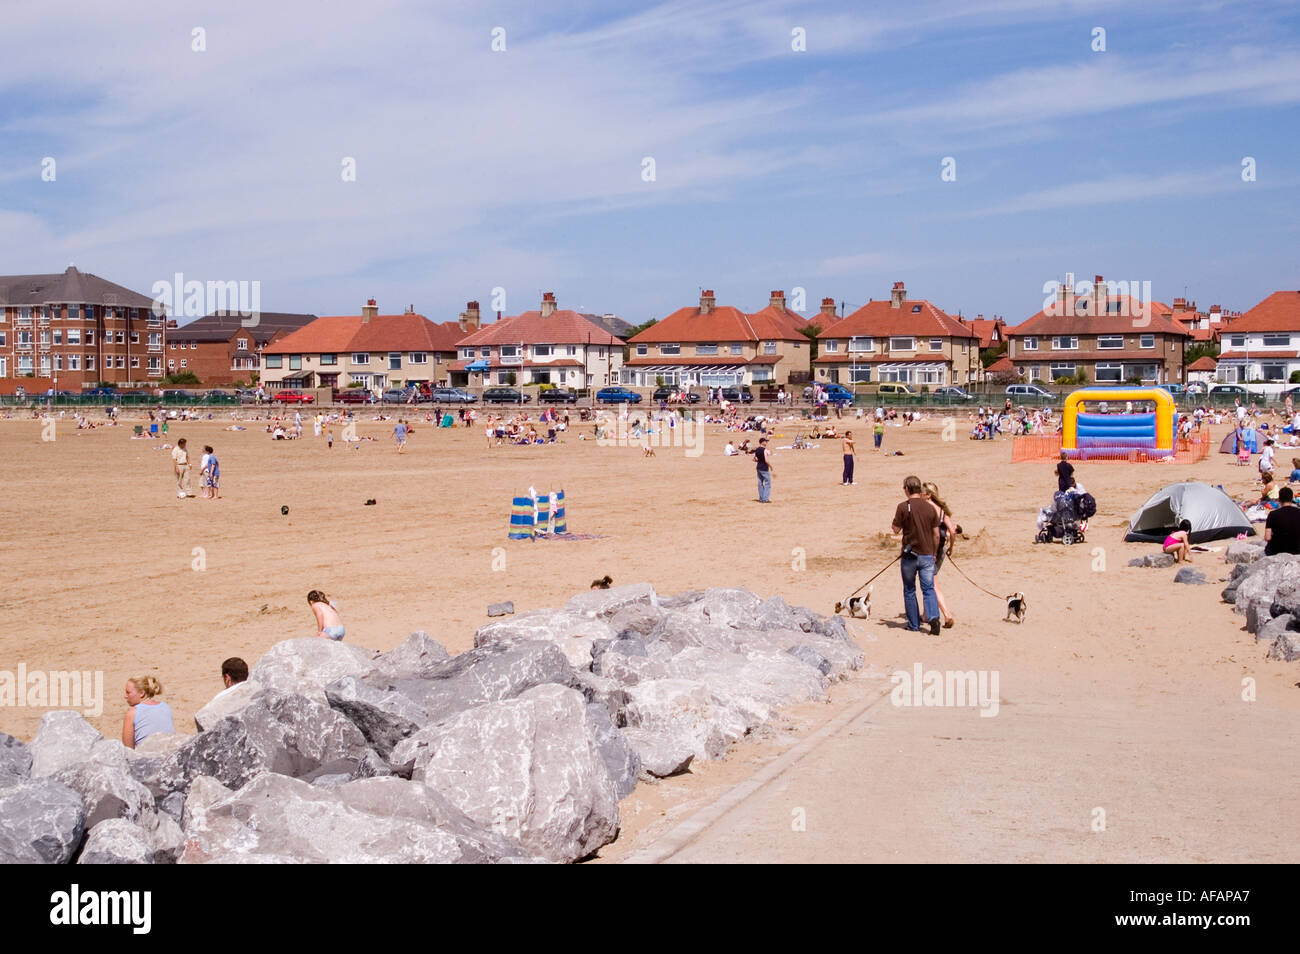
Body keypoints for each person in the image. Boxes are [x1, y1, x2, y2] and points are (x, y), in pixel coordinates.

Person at [891, 476, 942, 634]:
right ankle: (933, 618)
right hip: (927, 554)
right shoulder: (930, 508)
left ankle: (914, 624)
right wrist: (934, 552)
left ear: (907, 489)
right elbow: (936, 535)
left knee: (909, 590)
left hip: (910, 555)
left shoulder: (902, 507)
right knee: (928, 589)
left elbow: (895, 529)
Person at [922, 481, 958, 628]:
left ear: (928, 495)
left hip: (930, 551)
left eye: (922, 493)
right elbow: (952, 530)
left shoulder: (927, 509)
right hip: (942, 549)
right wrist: (951, 547)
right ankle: (925, 614)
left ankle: (947, 614)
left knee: (932, 583)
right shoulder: (942, 510)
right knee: (927, 581)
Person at [121, 675, 174, 749]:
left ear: (141, 693)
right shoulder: (166, 707)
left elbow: (128, 749)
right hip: (170, 756)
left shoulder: (132, 713)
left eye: (128, 692)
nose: (125, 696)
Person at [1266, 486, 1300, 555]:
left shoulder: (1273, 514)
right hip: (1297, 550)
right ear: (1292, 499)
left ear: (1279, 499)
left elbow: (1267, 537)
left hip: (1278, 551)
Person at [753, 436, 773, 503]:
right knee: (767, 483)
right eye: (765, 441)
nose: (766, 442)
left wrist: (759, 461)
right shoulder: (764, 450)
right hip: (764, 468)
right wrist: (770, 466)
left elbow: (754, 459)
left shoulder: (757, 449)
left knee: (760, 483)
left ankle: (761, 498)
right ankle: (765, 499)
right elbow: (766, 460)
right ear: (762, 442)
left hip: (758, 467)